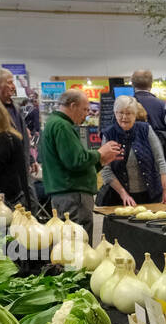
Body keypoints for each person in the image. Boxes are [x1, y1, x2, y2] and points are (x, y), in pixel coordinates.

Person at [40, 90, 123, 239]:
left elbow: (70, 163)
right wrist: (100, 153)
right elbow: (76, 161)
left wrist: (102, 161)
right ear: (73, 106)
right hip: (73, 196)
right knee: (78, 243)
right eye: (85, 109)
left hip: (64, 195)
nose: (87, 114)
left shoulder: (53, 123)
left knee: (66, 244)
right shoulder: (62, 126)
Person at [99, 95, 166, 207]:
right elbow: (106, 170)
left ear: (135, 114)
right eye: (120, 113)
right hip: (121, 198)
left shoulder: (145, 129)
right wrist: (123, 194)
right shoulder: (108, 134)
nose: (124, 117)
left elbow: (160, 160)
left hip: (152, 195)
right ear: (115, 113)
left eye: (128, 113)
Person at [0, 69, 38, 169]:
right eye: (9, 83)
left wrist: (30, 159)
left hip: (20, 165)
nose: (13, 87)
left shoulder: (14, 107)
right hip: (5, 168)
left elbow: (22, 135)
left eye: (13, 83)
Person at [131, 69, 166, 162]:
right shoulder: (165, 106)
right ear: (151, 84)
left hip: (133, 157)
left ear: (132, 84)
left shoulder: (124, 106)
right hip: (160, 157)